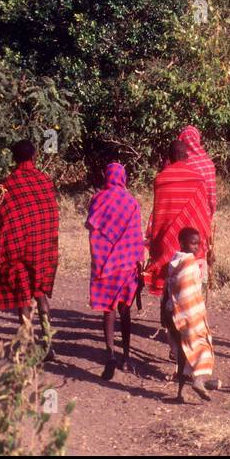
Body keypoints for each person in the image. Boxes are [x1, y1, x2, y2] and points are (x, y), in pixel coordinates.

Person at [0, 140, 60, 357]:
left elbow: (1, 221)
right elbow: (51, 215)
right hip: (41, 249)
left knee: (23, 297)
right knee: (40, 295)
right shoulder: (44, 181)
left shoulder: (8, 185)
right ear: (34, 156)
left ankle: (29, 344)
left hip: (19, 251)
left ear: (14, 158)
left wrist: (1, 249)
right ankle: (49, 344)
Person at [85, 162, 145, 380]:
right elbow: (135, 238)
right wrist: (139, 262)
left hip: (104, 264)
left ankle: (110, 353)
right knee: (124, 310)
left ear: (106, 176)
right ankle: (126, 357)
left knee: (108, 310)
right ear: (123, 178)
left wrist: (100, 258)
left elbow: (93, 231)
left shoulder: (97, 199)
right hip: (126, 263)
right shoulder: (132, 203)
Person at [144, 140, 214, 296]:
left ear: (169, 157)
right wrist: (207, 243)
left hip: (165, 241)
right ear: (187, 157)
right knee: (191, 288)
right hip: (192, 243)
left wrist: (155, 243)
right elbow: (204, 216)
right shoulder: (198, 179)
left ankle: (166, 317)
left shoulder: (160, 179)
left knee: (168, 285)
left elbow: (158, 215)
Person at [161, 227, 217, 401]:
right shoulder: (189, 263)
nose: (196, 247)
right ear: (182, 242)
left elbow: (168, 289)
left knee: (183, 354)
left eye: (198, 244)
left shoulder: (174, 262)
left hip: (174, 314)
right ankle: (198, 381)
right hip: (188, 315)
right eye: (193, 243)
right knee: (200, 347)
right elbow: (191, 287)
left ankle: (181, 393)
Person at [178, 125, 217, 215]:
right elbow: (211, 196)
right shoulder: (208, 164)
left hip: (180, 217)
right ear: (197, 138)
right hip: (203, 215)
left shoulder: (175, 163)